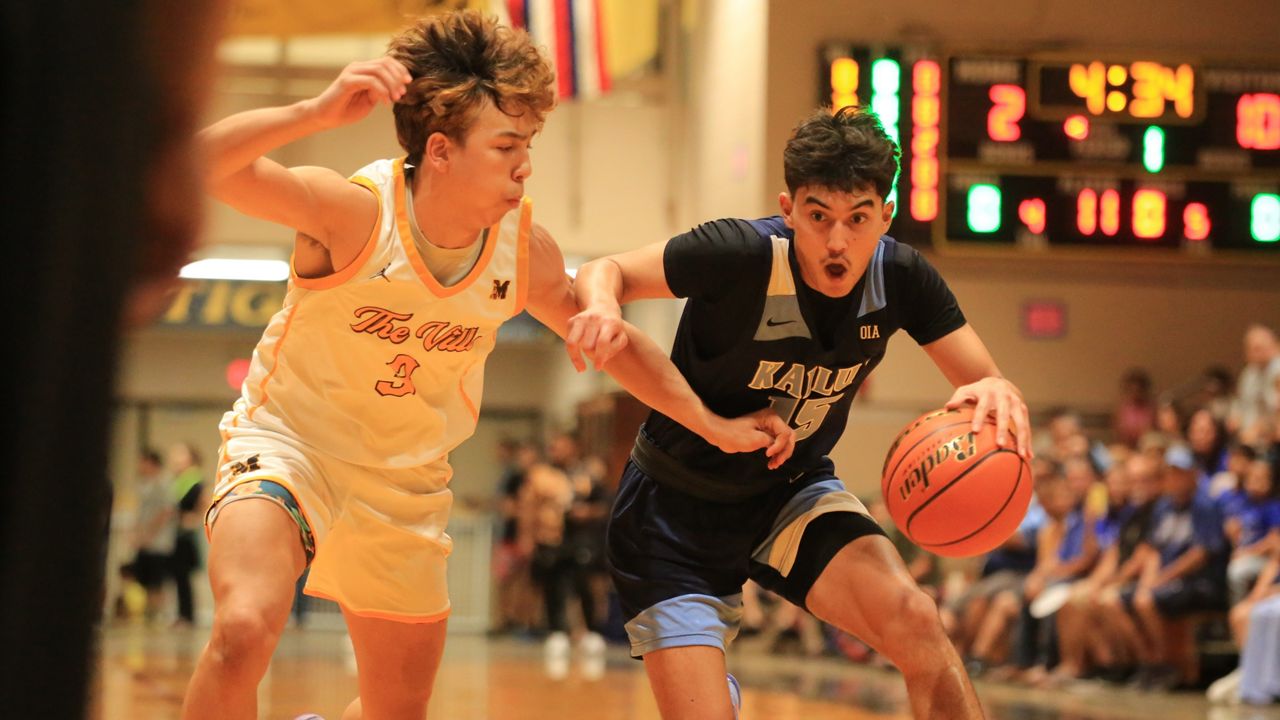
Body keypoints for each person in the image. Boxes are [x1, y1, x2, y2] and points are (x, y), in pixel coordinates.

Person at [183, 11, 791, 720]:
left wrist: (712, 425)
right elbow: (194, 164)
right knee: (243, 628)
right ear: (439, 151)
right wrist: (313, 111)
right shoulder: (355, 215)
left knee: (395, 711)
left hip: (404, 482)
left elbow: (615, 344)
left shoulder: (520, 250)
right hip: (291, 447)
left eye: (527, 143)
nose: (525, 163)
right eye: (506, 145)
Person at [568, 105, 1031, 720]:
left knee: (917, 619)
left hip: (790, 494)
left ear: (885, 216)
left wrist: (1001, 388)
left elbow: (985, 380)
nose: (838, 241)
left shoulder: (902, 277)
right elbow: (609, 270)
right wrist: (600, 306)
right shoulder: (738, 253)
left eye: (858, 219)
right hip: (672, 511)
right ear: (788, 210)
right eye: (819, 218)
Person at [169, 442, 206, 627]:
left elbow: (203, 501)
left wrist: (195, 518)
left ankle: (188, 615)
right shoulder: (179, 479)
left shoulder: (195, 479)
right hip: (176, 532)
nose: (176, 459)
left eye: (180, 455)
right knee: (178, 574)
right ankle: (182, 614)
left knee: (184, 574)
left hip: (188, 534)